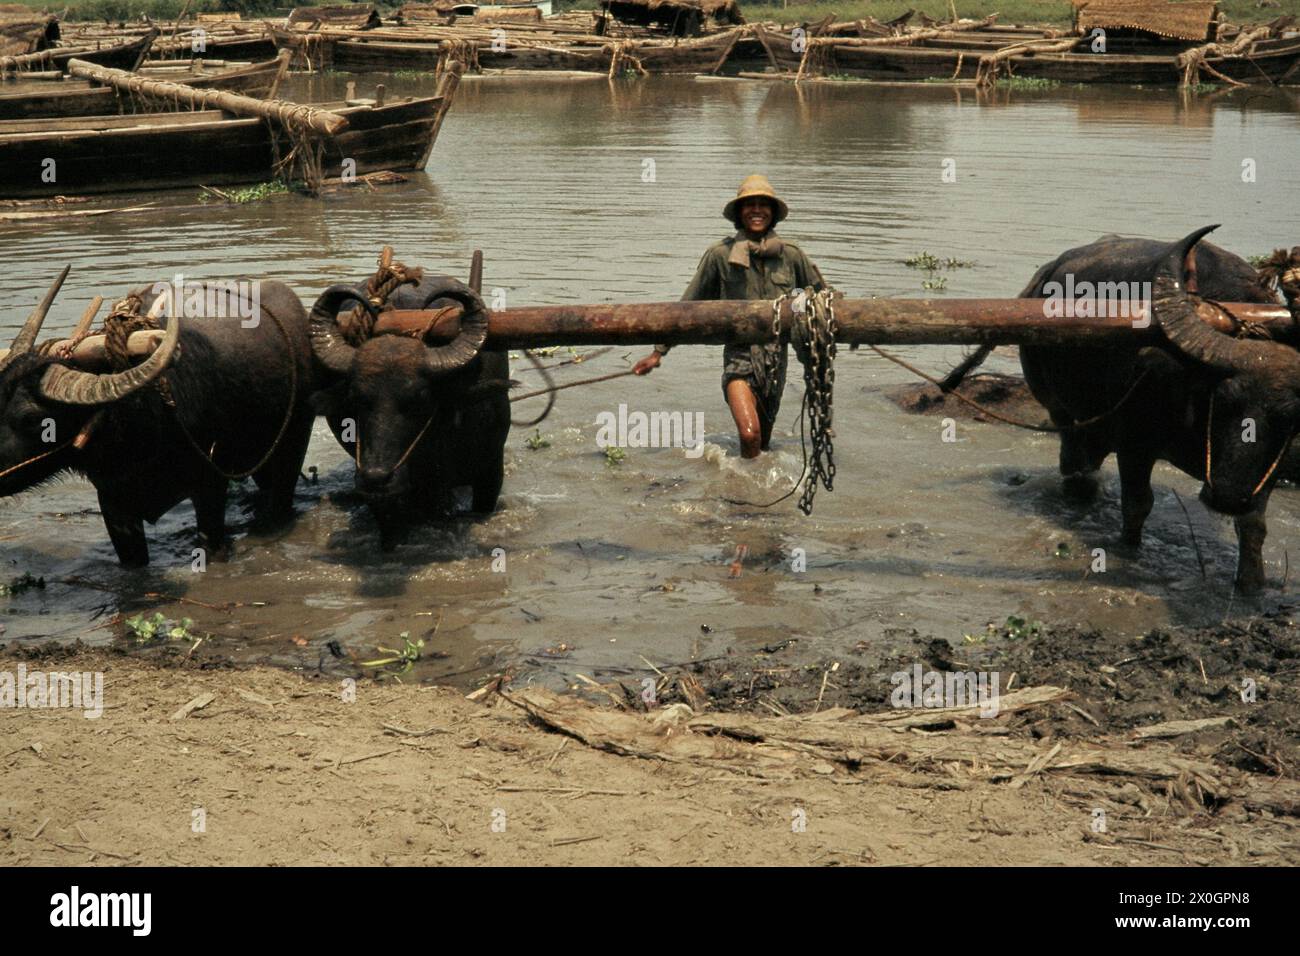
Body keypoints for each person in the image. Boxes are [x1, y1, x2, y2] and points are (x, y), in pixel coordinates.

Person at [633, 174, 826, 459]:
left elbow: (823, 300)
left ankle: (751, 496)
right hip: (739, 358)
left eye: (763, 204)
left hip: (775, 361)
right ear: (739, 212)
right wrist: (658, 352)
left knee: (762, 445)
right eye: (750, 204)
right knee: (750, 435)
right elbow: (687, 307)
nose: (757, 210)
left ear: (772, 213)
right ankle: (739, 497)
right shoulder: (719, 256)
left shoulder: (791, 256)